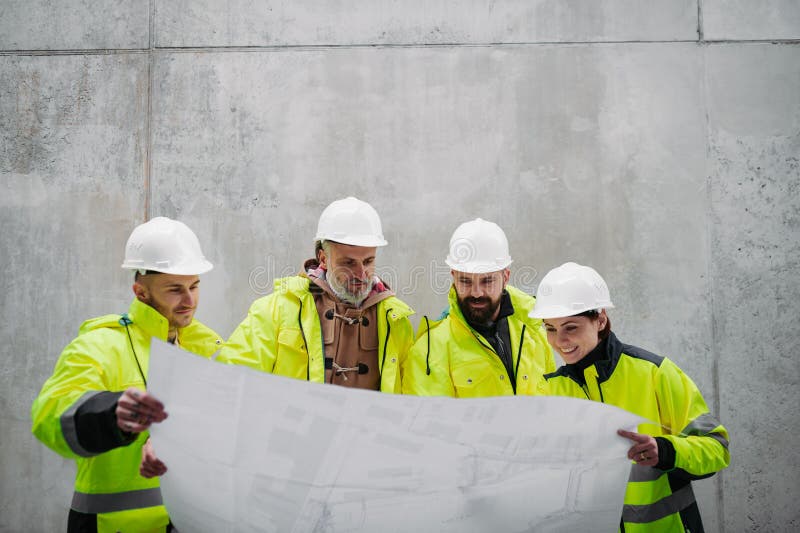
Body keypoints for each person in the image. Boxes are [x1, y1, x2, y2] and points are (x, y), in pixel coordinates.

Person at [31, 217, 222, 533]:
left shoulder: (209, 346)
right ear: (141, 292)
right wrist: (111, 415)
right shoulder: (100, 345)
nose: (190, 301)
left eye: (194, 286)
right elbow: (49, 415)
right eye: (175, 289)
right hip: (111, 526)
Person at [529, 262, 730, 532]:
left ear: (600, 320)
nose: (559, 341)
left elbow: (716, 449)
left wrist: (666, 451)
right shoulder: (549, 391)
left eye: (571, 327)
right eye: (550, 329)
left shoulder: (654, 373)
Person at [218, 196, 415, 392]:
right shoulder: (277, 311)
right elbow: (231, 381)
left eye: (368, 261)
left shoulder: (396, 321)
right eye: (348, 263)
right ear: (323, 258)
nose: (361, 274)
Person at [402, 218, 555, 397]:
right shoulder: (430, 349)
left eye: (487, 280)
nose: (476, 292)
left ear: (506, 277)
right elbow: (430, 422)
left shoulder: (534, 332)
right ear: (453, 276)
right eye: (465, 281)